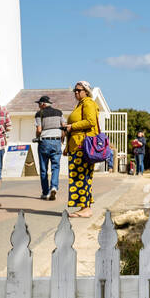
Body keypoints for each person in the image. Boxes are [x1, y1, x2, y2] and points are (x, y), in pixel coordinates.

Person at [65, 80, 98, 215]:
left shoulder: (88, 103)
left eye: (79, 90)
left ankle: (86, 209)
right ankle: (85, 207)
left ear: (86, 91)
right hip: (76, 144)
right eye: (75, 90)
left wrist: (72, 126)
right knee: (80, 176)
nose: (76, 92)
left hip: (82, 145)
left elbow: (91, 122)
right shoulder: (81, 104)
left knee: (81, 177)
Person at [35, 94, 65, 202]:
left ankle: (45, 192)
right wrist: (62, 139)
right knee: (55, 166)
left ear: (43, 104)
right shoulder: (59, 112)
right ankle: (54, 187)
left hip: (44, 142)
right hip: (56, 141)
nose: (38, 106)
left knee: (44, 169)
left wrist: (37, 137)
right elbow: (63, 127)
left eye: (39, 104)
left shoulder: (39, 114)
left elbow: (39, 130)